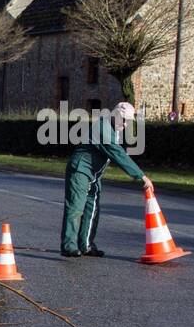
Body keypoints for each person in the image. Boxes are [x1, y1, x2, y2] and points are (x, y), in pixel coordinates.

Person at [61, 101, 153, 258]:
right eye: (123, 120)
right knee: (76, 207)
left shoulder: (114, 129)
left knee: (92, 210)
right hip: (80, 171)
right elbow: (117, 154)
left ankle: (86, 245)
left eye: (128, 121)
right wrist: (141, 176)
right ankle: (69, 246)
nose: (125, 124)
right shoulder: (102, 128)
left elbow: (117, 152)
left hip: (94, 175)